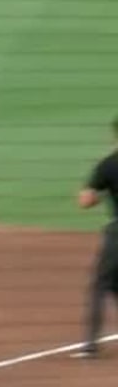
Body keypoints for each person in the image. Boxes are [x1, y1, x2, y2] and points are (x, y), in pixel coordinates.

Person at [73, 116, 118, 359]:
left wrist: (101, 195)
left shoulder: (108, 164)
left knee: (100, 285)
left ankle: (90, 345)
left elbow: (85, 201)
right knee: (114, 284)